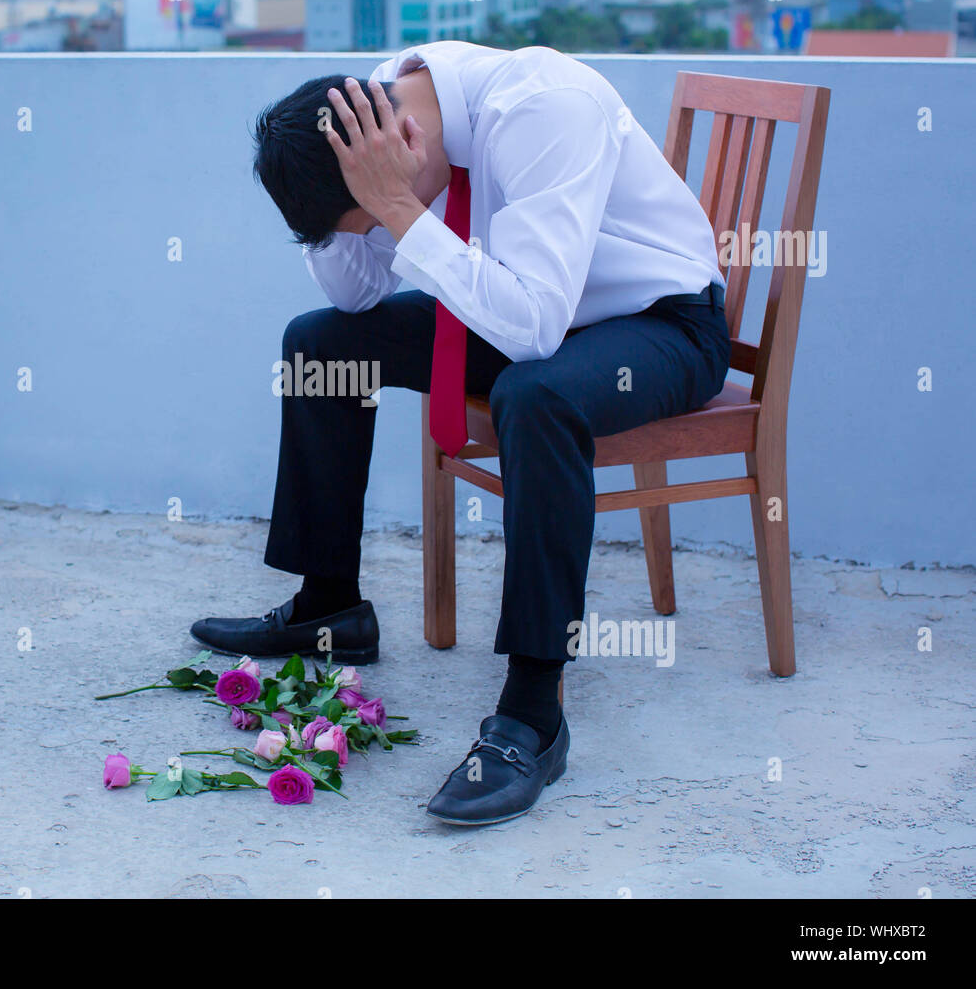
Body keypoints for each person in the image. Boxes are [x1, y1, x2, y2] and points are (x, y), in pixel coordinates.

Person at [190, 41, 730, 825]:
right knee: (319, 344)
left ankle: (534, 712)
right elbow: (357, 294)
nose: (379, 223)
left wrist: (399, 209)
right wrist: (357, 216)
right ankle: (329, 604)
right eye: (367, 214)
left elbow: (536, 327)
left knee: (536, 394)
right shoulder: (376, 114)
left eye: (372, 208)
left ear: (401, 143)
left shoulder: (548, 108)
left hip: (660, 322)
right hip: (532, 307)